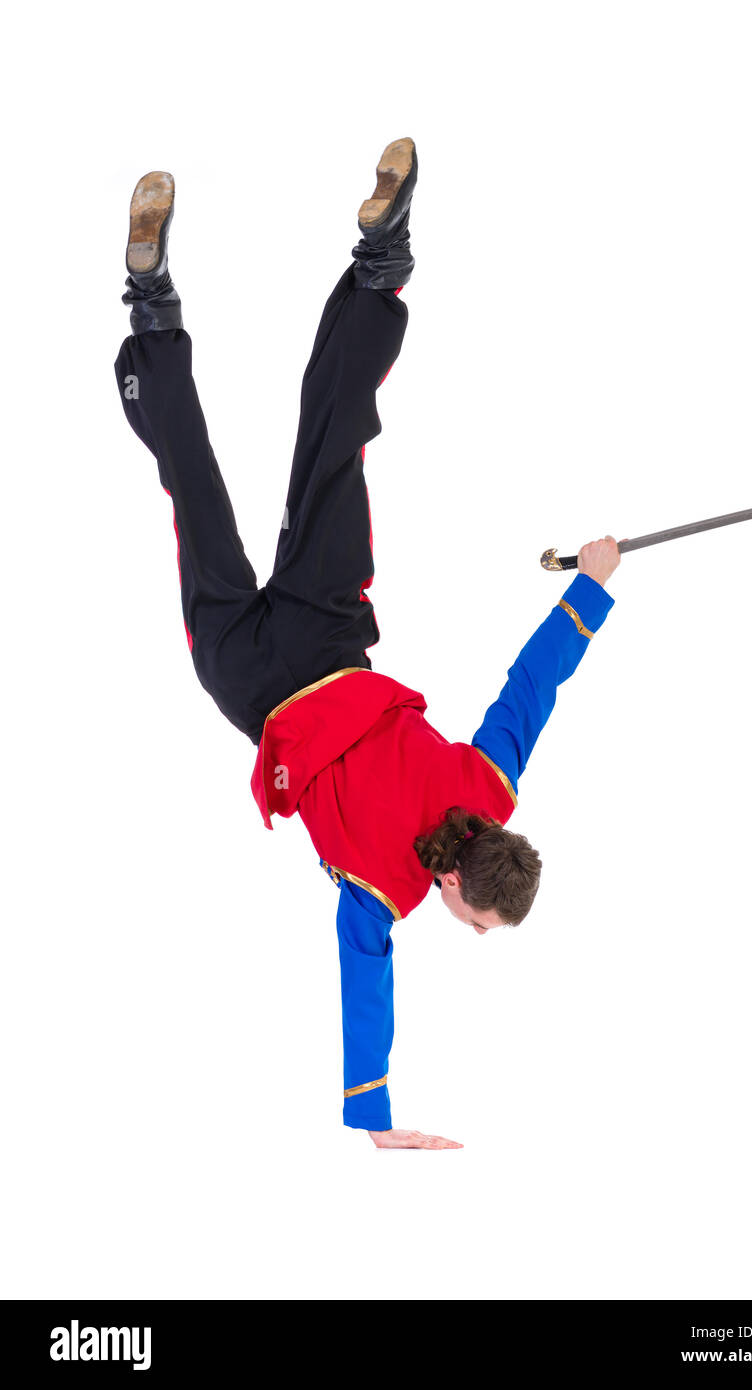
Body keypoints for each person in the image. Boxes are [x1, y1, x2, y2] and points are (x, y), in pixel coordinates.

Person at [114, 138, 621, 1151]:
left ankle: (379, 266)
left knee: (331, 438)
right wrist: (373, 1121)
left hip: (324, 628)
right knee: (194, 486)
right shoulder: (378, 886)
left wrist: (593, 591)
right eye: (477, 924)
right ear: (453, 887)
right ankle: (152, 307)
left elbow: (531, 690)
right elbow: (363, 990)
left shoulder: (487, 786)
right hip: (251, 682)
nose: (469, 933)